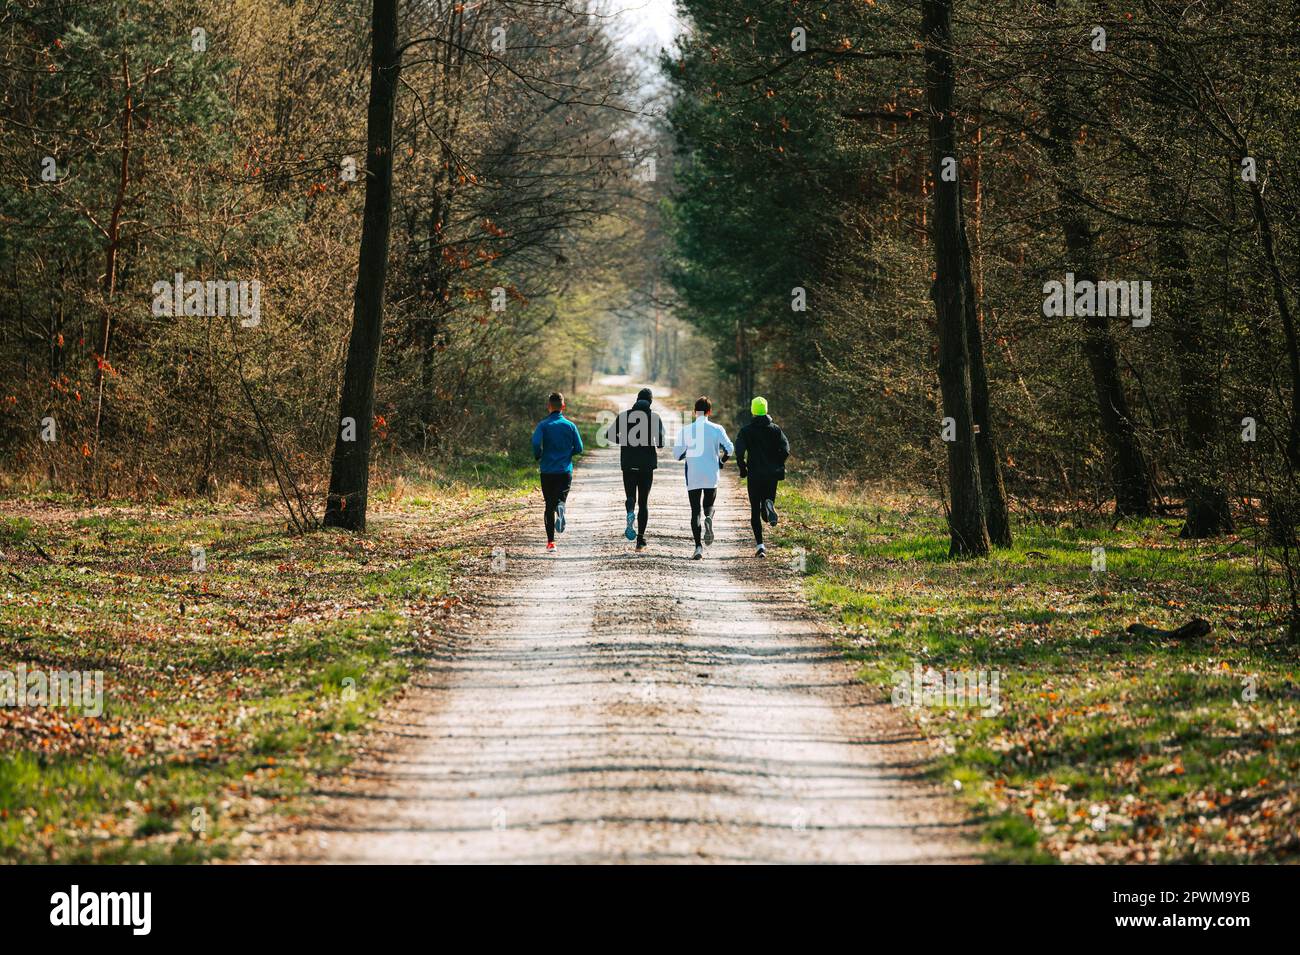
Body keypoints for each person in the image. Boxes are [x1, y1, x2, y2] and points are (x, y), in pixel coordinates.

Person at [601, 387, 666, 551]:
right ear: (650, 402)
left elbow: (609, 435)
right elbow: (660, 443)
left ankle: (630, 510)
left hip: (628, 463)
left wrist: (625, 439)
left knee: (631, 496)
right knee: (643, 503)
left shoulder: (624, 416)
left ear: (636, 400)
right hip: (646, 465)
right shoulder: (654, 417)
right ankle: (640, 540)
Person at [672, 395, 734, 560]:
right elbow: (730, 448)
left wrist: (687, 453)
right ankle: (709, 518)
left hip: (693, 474)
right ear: (709, 411)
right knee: (709, 505)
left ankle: (698, 547)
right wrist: (721, 461)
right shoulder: (717, 429)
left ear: (694, 412)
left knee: (694, 512)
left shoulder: (685, 430)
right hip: (711, 474)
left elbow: (676, 455)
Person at [734, 395, 790, 557]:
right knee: (766, 507)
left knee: (754, 510)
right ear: (766, 410)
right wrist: (778, 463)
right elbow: (786, 450)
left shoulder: (746, 431)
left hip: (755, 474)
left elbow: (739, 451)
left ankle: (760, 546)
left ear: (753, 411)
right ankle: (768, 505)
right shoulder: (776, 430)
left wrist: (742, 467)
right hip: (772, 475)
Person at [531, 391, 583, 551]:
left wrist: (538, 455)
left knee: (548, 506)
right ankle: (561, 504)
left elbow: (535, 442)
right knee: (560, 498)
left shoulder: (543, 425)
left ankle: (551, 542)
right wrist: (567, 454)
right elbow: (579, 448)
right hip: (564, 470)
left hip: (547, 470)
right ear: (563, 406)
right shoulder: (570, 425)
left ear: (549, 407)